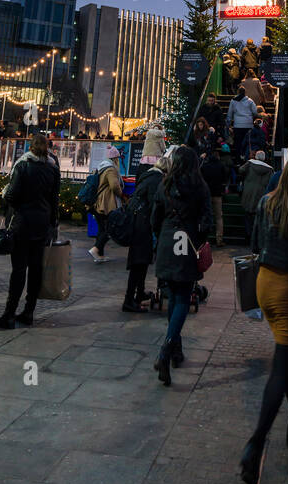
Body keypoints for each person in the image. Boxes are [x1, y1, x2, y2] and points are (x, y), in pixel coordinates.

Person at [240, 157, 288, 484]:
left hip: (265, 281)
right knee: (282, 364)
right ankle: (256, 442)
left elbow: (255, 243)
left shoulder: (266, 202)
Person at [151, 146, 212, 384]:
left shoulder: (164, 184)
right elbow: (206, 220)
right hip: (187, 244)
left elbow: (155, 218)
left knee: (173, 297)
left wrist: (161, 237)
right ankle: (167, 350)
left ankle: (174, 350)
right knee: (183, 298)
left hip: (168, 242)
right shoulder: (200, 187)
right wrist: (199, 238)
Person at [0, 134, 60, 328]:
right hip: (42, 223)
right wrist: (52, 222)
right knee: (36, 268)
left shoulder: (22, 166)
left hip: (22, 223)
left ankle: (9, 314)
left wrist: (6, 193)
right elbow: (54, 198)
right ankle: (29, 311)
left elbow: (12, 196)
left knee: (19, 269)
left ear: (31, 147)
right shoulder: (52, 169)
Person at [123, 155, 166, 312]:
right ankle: (129, 300)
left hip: (137, 223)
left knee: (140, 263)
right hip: (142, 226)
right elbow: (155, 207)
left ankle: (139, 294)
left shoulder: (148, 176)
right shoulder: (156, 180)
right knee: (138, 264)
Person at [89, 147, 123, 261]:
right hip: (106, 203)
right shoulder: (110, 169)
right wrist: (121, 194)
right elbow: (114, 186)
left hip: (97, 202)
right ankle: (96, 249)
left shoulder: (100, 167)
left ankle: (99, 255)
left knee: (102, 228)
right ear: (115, 159)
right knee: (110, 228)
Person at [238, 150, 273, 242]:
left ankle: (247, 235)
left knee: (247, 214)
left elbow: (240, 170)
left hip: (248, 192)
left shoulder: (250, 163)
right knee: (258, 216)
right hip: (261, 194)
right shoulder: (269, 169)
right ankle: (256, 237)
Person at [200, 143, 229, 247]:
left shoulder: (205, 166)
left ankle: (204, 239)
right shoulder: (221, 166)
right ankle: (219, 239)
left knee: (205, 216)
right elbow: (225, 178)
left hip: (206, 194)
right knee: (218, 217)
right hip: (217, 194)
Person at [225, 85, 258, 164]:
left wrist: (228, 124)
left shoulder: (233, 101)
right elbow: (255, 112)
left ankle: (238, 160)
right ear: (245, 92)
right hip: (248, 125)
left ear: (238, 92)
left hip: (238, 125)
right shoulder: (250, 101)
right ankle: (247, 160)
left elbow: (230, 114)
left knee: (238, 143)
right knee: (248, 143)